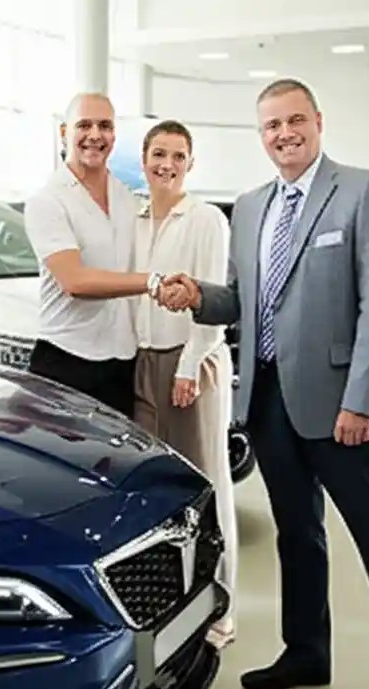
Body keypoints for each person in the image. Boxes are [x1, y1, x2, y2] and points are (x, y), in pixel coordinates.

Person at [158, 78, 369, 689]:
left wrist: (362, 401)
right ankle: (306, 651)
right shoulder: (249, 206)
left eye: (294, 120)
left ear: (317, 121)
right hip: (270, 402)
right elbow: (244, 303)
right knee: (297, 536)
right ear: (261, 136)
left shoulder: (364, 189)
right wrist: (196, 293)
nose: (284, 134)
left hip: (343, 408)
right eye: (271, 126)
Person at [128, 119, 238, 646]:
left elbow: (214, 301)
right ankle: (167, 607)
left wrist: (190, 365)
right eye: (158, 154)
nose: (166, 164)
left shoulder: (207, 220)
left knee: (206, 487)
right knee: (155, 495)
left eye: (177, 155)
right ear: (144, 158)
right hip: (142, 362)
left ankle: (221, 606)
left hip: (190, 362)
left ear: (190, 164)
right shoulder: (134, 216)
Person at [22, 92, 169, 419]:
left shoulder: (126, 197)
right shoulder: (48, 201)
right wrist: (152, 283)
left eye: (105, 126)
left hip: (121, 362)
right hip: (66, 362)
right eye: (84, 125)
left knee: (116, 467)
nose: (95, 135)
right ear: (64, 132)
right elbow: (74, 281)